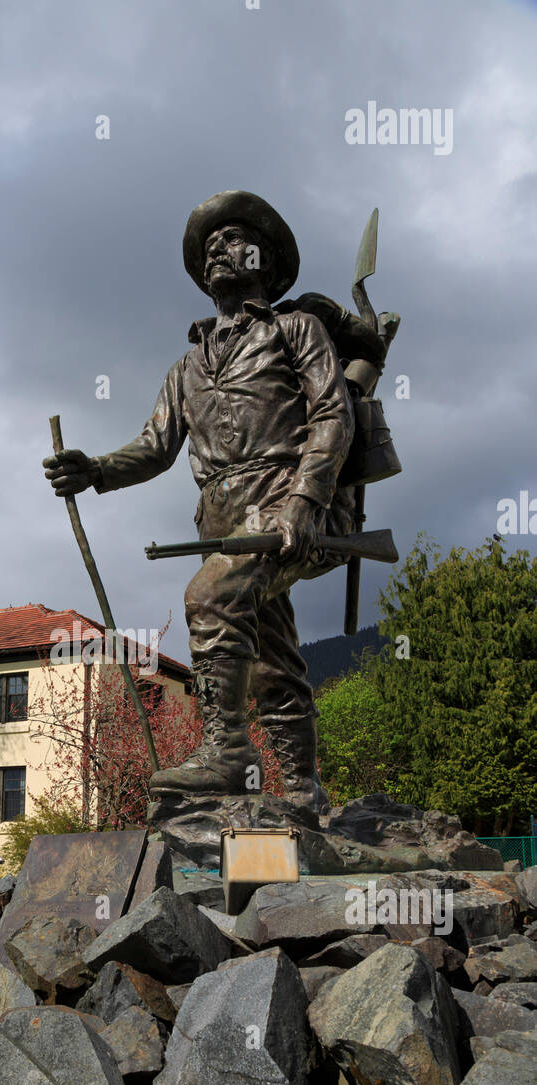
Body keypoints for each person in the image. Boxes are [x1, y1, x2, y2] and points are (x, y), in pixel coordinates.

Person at [44, 190, 378, 814]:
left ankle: (227, 751)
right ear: (202, 274)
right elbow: (154, 447)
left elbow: (334, 415)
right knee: (274, 656)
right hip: (223, 521)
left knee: (210, 597)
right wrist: (94, 469)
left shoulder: (295, 330)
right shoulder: (186, 366)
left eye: (234, 239)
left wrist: (304, 501)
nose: (221, 250)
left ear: (267, 260)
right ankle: (303, 791)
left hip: (287, 505)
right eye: (211, 246)